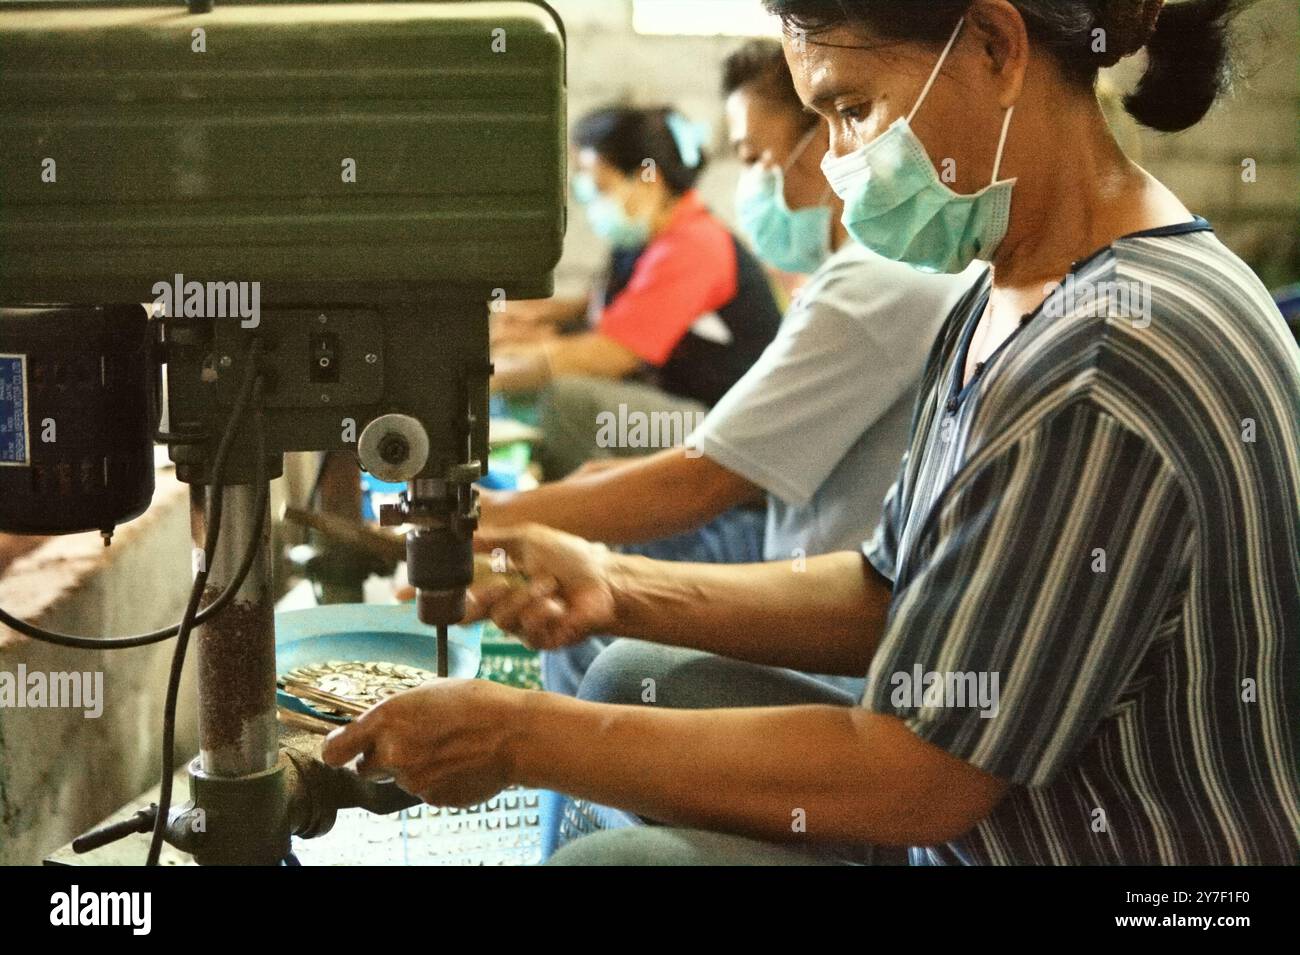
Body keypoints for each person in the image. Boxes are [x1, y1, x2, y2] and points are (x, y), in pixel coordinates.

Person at [326, 0, 1300, 866]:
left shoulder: (1098, 361)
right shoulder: (1010, 289)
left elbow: (918, 782)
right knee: (627, 670)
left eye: (851, 108)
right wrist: (615, 581)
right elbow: (890, 589)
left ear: (997, 45)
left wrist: (520, 737)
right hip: (995, 797)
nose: (837, 163)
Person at [482, 40, 975, 699]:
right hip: (813, 561)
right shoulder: (879, 272)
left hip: (839, 620)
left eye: (753, 158)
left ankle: (586, 788)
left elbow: (697, 484)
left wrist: (492, 518)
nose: (755, 183)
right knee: (602, 549)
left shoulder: (874, 279)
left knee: (599, 646)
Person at [492, 106, 784, 478]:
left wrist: (491, 374)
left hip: (729, 428)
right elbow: (609, 313)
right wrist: (535, 325)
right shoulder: (643, 241)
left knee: (569, 401)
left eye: (601, 187)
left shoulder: (693, 246)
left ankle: (578, 519)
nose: (592, 202)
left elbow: (611, 355)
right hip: (681, 404)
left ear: (648, 179)